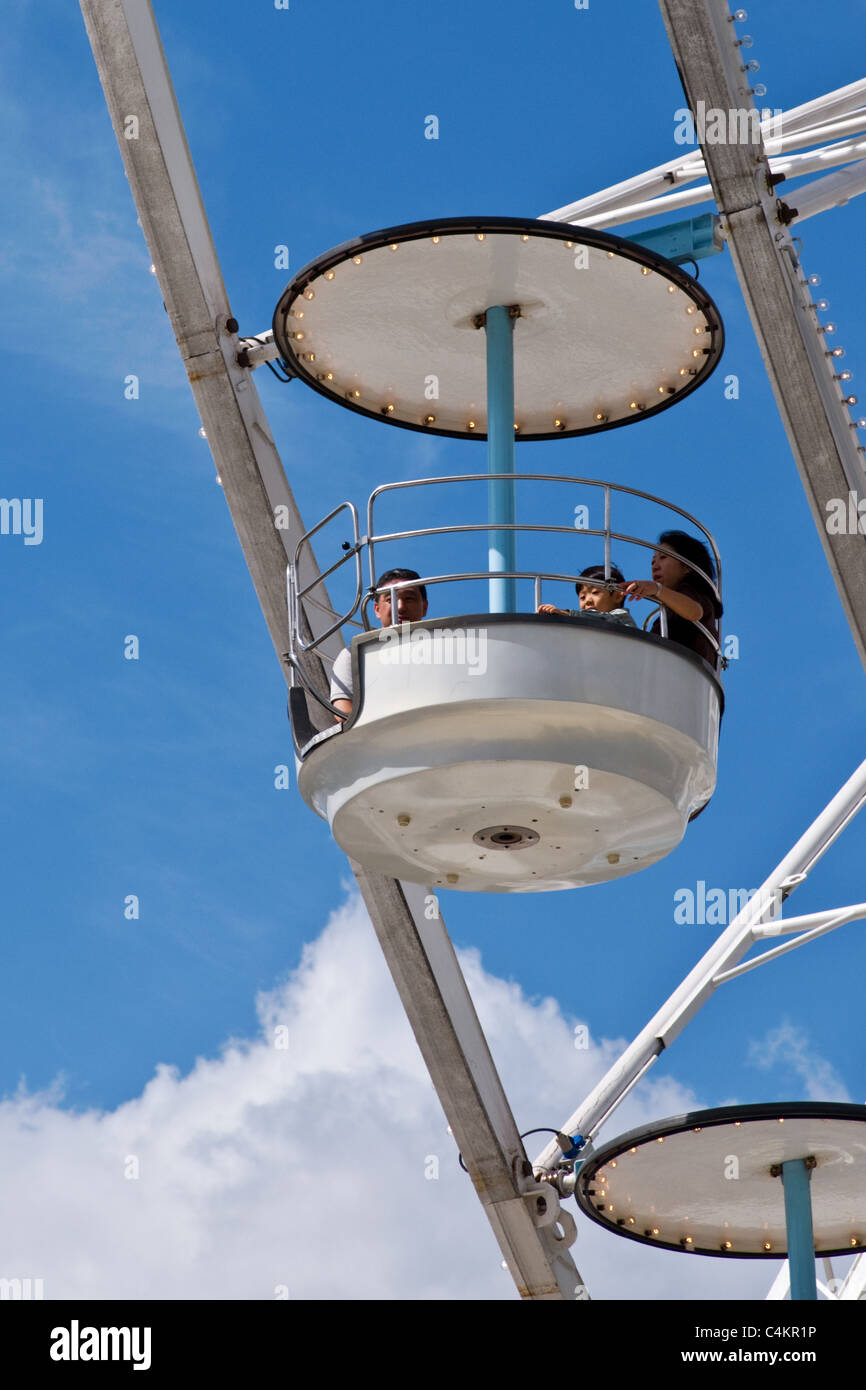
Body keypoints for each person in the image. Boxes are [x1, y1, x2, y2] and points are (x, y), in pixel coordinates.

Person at [330, 568, 428, 720]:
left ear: (424, 607)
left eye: (409, 599)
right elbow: (343, 713)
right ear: (377, 609)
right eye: (391, 600)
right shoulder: (353, 657)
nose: (400, 607)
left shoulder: (445, 654)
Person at [621, 530, 722, 666]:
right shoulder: (669, 611)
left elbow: (694, 612)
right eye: (652, 562)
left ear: (687, 567)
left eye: (663, 557)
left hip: (682, 674)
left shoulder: (693, 593)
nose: (655, 566)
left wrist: (657, 589)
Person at [537, 564, 636, 627]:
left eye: (595, 592)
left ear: (618, 596)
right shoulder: (588, 626)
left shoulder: (620, 616)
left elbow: (603, 619)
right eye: (582, 597)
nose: (588, 600)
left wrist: (566, 613)